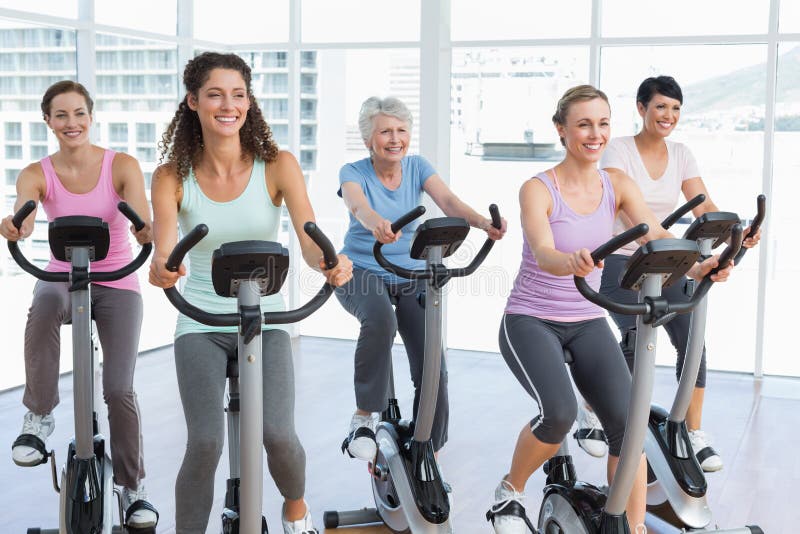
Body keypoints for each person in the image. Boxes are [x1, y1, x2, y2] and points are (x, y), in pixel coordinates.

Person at [485, 85, 733, 534]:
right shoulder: (538, 189)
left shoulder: (616, 184)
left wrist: (700, 266)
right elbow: (543, 252)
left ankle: (630, 526)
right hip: (531, 319)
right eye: (583, 124)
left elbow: (655, 234)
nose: (595, 134)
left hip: (586, 319)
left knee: (628, 427)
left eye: (602, 124)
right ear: (561, 130)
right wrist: (570, 262)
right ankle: (509, 492)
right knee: (559, 413)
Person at [148, 52, 353, 534]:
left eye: (238, 95)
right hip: (200, 322)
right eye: (215, 94)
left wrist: (329, 261)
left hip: (267, 320)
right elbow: (165, 250)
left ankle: (296, 508)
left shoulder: (277, 165)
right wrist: (162, 268)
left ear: (249, 102)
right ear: (193, 101)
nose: (228, 105)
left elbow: (308, 240)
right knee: (204, 442)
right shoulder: (171, 176)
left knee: (277, 433)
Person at [571, 75, 761, 472]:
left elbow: (704, 206)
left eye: (675, 108)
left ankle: (690, 430)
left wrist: (737, 232)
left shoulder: (681, 154)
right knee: (635, 335)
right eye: (660, 106)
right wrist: (666, 249)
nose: (668, 115)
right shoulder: (618, 150)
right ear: (641, 108)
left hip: (664, 258)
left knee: (692, 340)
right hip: (620, 257)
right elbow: (624, 209)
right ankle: (594, 410)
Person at [0, 81, 158, 529]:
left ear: (91, 116)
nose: (72, 123)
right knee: (44, 304)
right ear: (48, 121)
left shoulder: (121, 165)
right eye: (61, 115)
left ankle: (133, 488)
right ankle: (39, 417)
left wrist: (146, 229)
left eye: (79, 113)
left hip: (118, 281)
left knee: (118, 390)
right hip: (62, 276)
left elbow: (141, 215)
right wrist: (17, 226)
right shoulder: (37, 172)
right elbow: (26, 212)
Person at [336, 96, 507, 461]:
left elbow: (449, 201)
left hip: (410, 271)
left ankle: (429, 446)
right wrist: (375, 223)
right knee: (380, 319)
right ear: (368, 139)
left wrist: (482, 222)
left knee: (433, 363)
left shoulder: (417, 166)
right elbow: (357, 205)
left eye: (401, 130)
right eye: (385, 131)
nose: (395, 138)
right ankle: (364, 417)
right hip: (361, 269)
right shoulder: (352, 172)